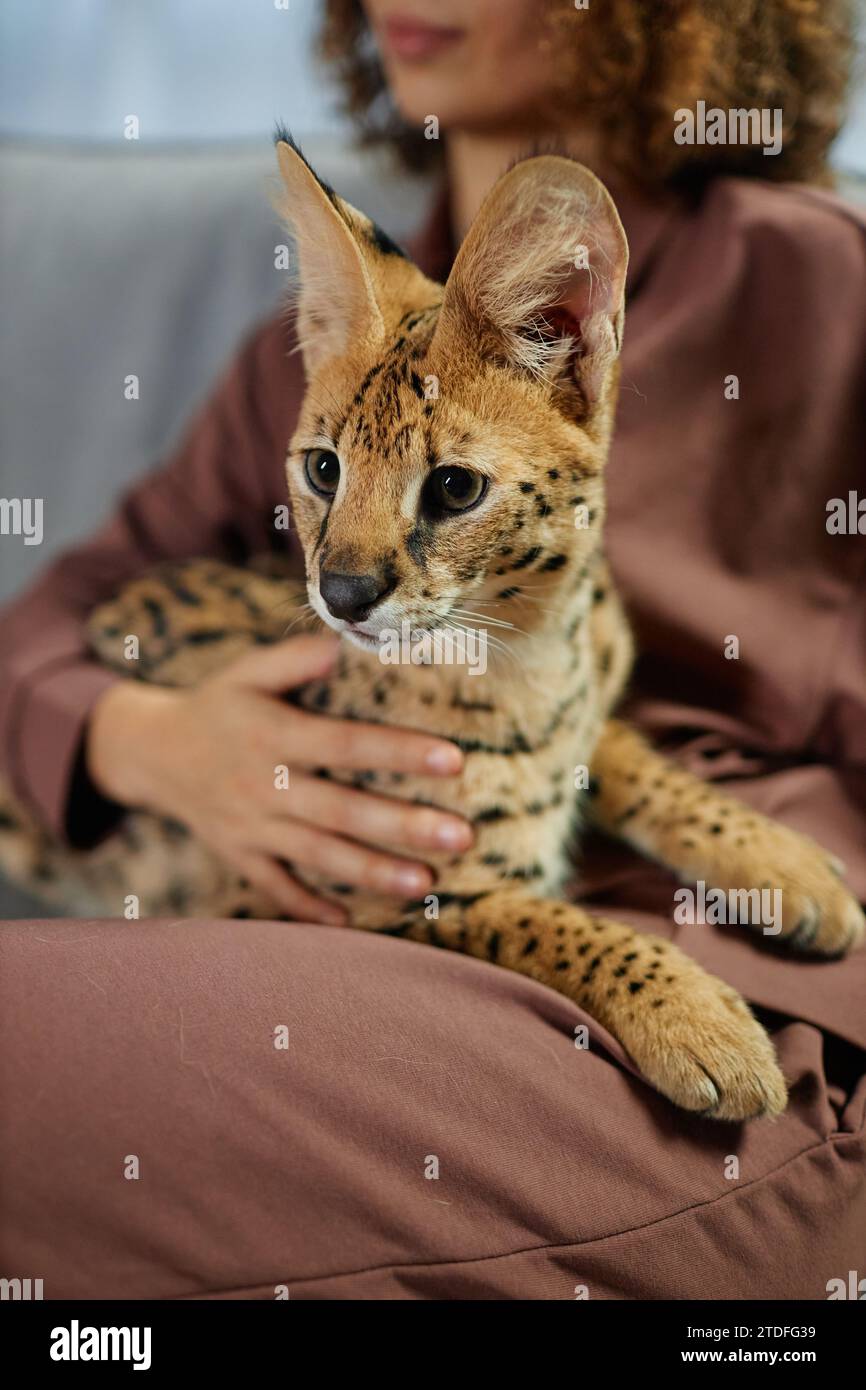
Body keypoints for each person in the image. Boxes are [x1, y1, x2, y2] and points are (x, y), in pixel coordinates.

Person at [1, 0, 864, 1303]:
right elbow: (48, 631)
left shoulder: (806, 278)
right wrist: (149, 741)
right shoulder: (334, 342)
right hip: (388, 940)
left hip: (733, 1011)